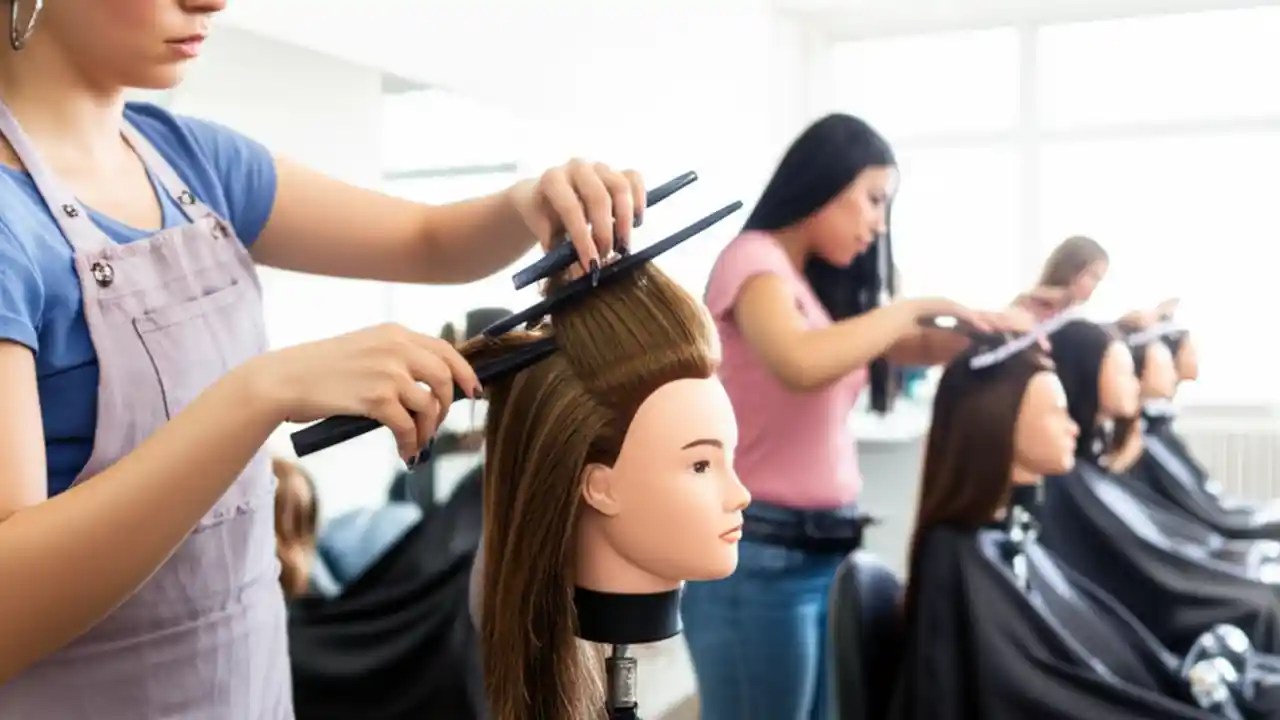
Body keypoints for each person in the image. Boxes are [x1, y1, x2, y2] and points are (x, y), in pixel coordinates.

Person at [0, 1, 645, 716]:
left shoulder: (192, 163)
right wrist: (260, 394)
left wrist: (528, 203)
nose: (212, 2)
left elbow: (427, 240)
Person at [678, 112, 1029, 720]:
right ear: (824, 182)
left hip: (818, 554)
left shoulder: (805, 289)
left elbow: (907, 347)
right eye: (871, 200)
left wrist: (997, 327)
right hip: (762, 557)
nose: (878, 223)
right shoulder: (753, 260)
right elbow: (800, 363)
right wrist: (916, 305)